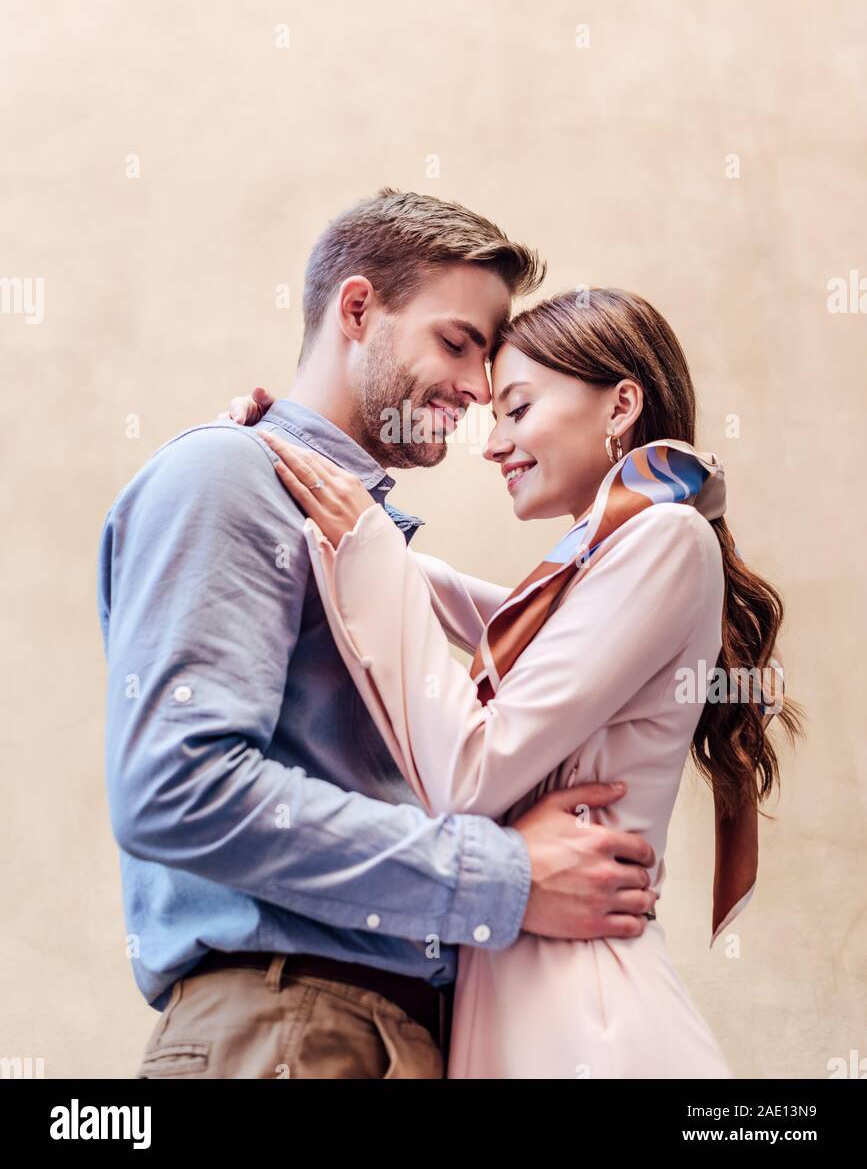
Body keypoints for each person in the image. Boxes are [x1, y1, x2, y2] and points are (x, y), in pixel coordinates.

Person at [98, 189, 661, 1081]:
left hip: (385, 1033)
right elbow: (179, 786)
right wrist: (503, 878)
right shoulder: (228, 475)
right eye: (457, 342)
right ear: (356, 309)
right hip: (287, 1025)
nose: (479, 390)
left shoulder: (354, 530)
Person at [240, 285, 803, 1078]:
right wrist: (286, 459)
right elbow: (454, 601)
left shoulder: (666, 538)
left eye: (517, 408)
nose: (492, 443)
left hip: (585, 1024)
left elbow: (472, 774)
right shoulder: (586, 578)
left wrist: (358, 537)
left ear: (620, 406)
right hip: (518, 1008)